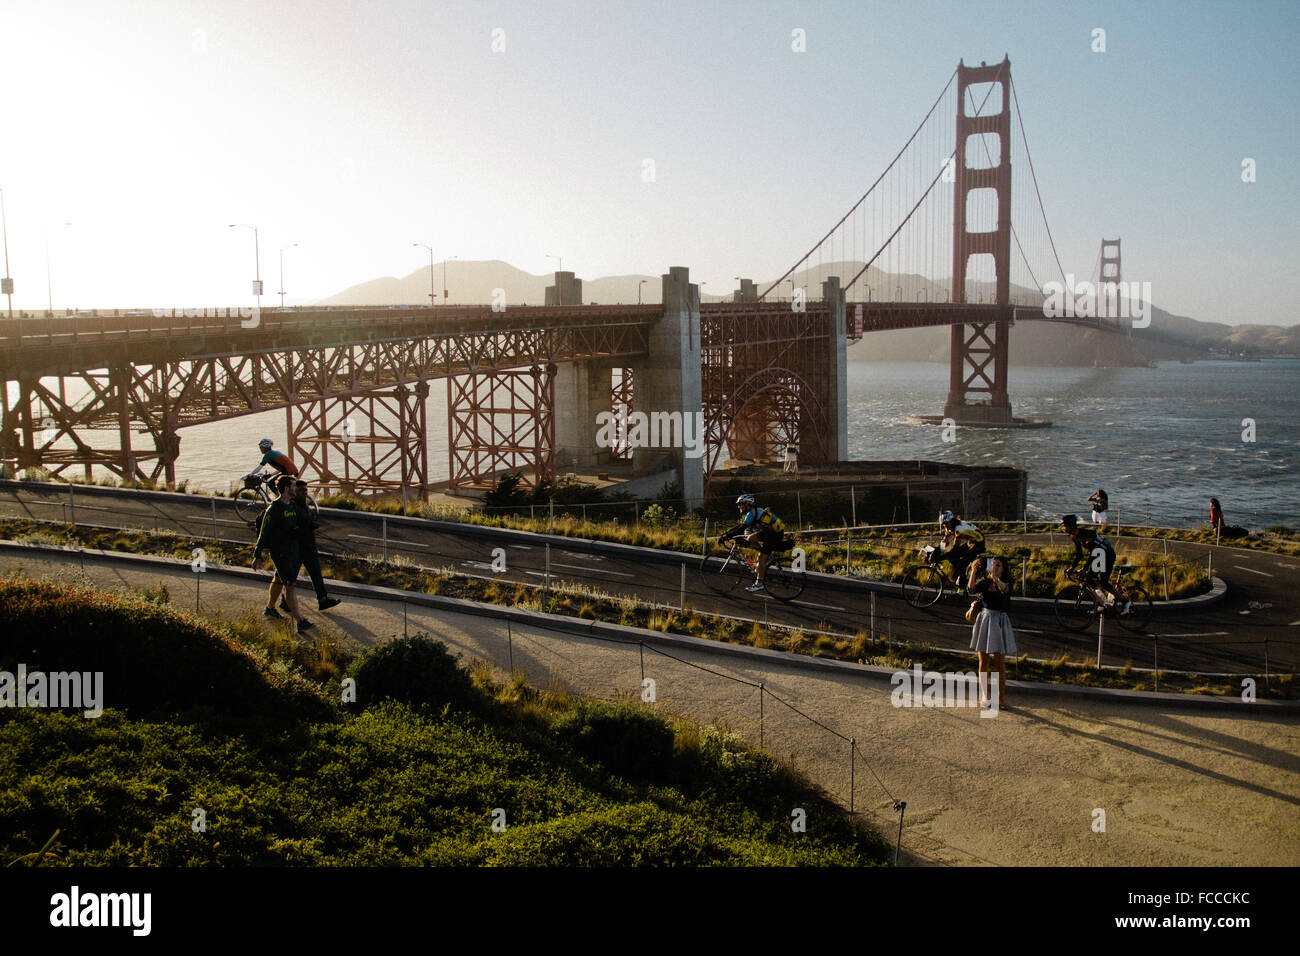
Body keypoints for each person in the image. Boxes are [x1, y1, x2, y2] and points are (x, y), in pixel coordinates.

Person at [252, 474, 313, 632]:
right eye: (293, 486)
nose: (296, 489)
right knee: (290, 585)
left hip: (292, 550)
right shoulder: (274, 509)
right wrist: (256, 555)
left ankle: (270, 608)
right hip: (280, 552)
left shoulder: (292, 506)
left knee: (279, 578)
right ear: (287, 488)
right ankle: (300, 621)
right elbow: (264, 533)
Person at [280, 479, 341, 613]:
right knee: (291, 578)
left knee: (317, 574)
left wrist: (310, 526)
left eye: (306, 490)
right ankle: (285, 602)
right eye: (301, 490)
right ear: (294, 491)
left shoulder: (304, 505)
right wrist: (307, 527)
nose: (304, 492)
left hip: (309, 546)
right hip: (298, 548)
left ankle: (323, 599)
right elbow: (292, 528)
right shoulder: (291, 507)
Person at [968, 555, 1016, 708]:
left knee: (1000, 663)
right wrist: (974, 571)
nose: (994, 568)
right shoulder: (985, 582)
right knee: (984, 661)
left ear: (1003, 568)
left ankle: (1001, 698)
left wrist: (996, 579)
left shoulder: (1006, 582)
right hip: (987, 619)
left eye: (998, 565)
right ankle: (985, 694)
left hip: (1000, 620)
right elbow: (971, 589)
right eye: (993, 565)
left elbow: (1006, 590)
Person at [720, 494, 789, 593]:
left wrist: (726, 537)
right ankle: (762, 562)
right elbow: (740, 526)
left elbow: (741, 529)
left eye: (741, 505)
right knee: (750, 538)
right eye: (739, 505)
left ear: (748, 504)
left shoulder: (751, 513)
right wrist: (726, 534)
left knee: (761, 556)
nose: (739, 507)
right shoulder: (754, 511)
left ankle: (759, 583)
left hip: (775, 534)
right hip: (770, 532)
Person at [1062, 513, 1123, 611]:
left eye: (1064, 525)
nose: (1063, 528)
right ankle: (1102, 603)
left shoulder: (1086, 534)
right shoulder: (1074, 537)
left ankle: (1123, 600)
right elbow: (1079, 555)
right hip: (1099, 555)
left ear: (1071, 526)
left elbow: (1093, 553)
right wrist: (1071, 568)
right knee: (1090, 580)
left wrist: (1084, 568)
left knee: (1103, 582)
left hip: (1107, 554)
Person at [938, 510, 985, 594]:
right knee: (953, 558)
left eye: (947, 524)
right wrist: (939, 551)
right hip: (971, 541)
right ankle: (961, 575)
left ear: (952, 521)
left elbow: (956, 547)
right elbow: (944, 542)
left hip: (979, 543)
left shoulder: (959, 529)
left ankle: (961, 591)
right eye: (943, 525)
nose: (946, 526)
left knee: (962, 564)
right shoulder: (949, 527)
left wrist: (943, 556)